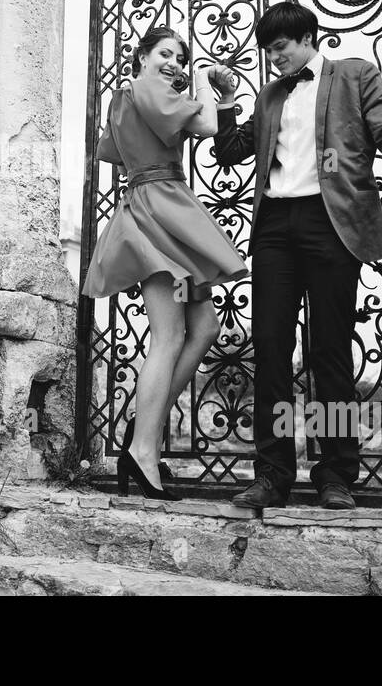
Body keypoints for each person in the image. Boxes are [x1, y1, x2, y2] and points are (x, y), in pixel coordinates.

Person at [209, 1, 382, 510]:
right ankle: (272, 474)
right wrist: (226, 102)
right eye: (267, 52)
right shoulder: (269, 96)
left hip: (330, 224)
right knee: (268, 346)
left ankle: (335, 473)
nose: (273, 59)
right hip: (275, 228)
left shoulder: (355, 76)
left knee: (327, 350)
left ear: (309, 37)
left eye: (280, 48)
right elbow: (228, 150)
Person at [82, 25, 248, 500]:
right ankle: (144, 451)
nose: (173, 62)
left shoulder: (136, 96)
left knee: (205, 329)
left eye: (180, 56)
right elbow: (211, 128)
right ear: (141, 56)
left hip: (165, 207)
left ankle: (145, 426)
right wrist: (200, 77)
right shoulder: (144, 87)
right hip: (157, 213)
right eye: (165, 54)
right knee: (171, 334)